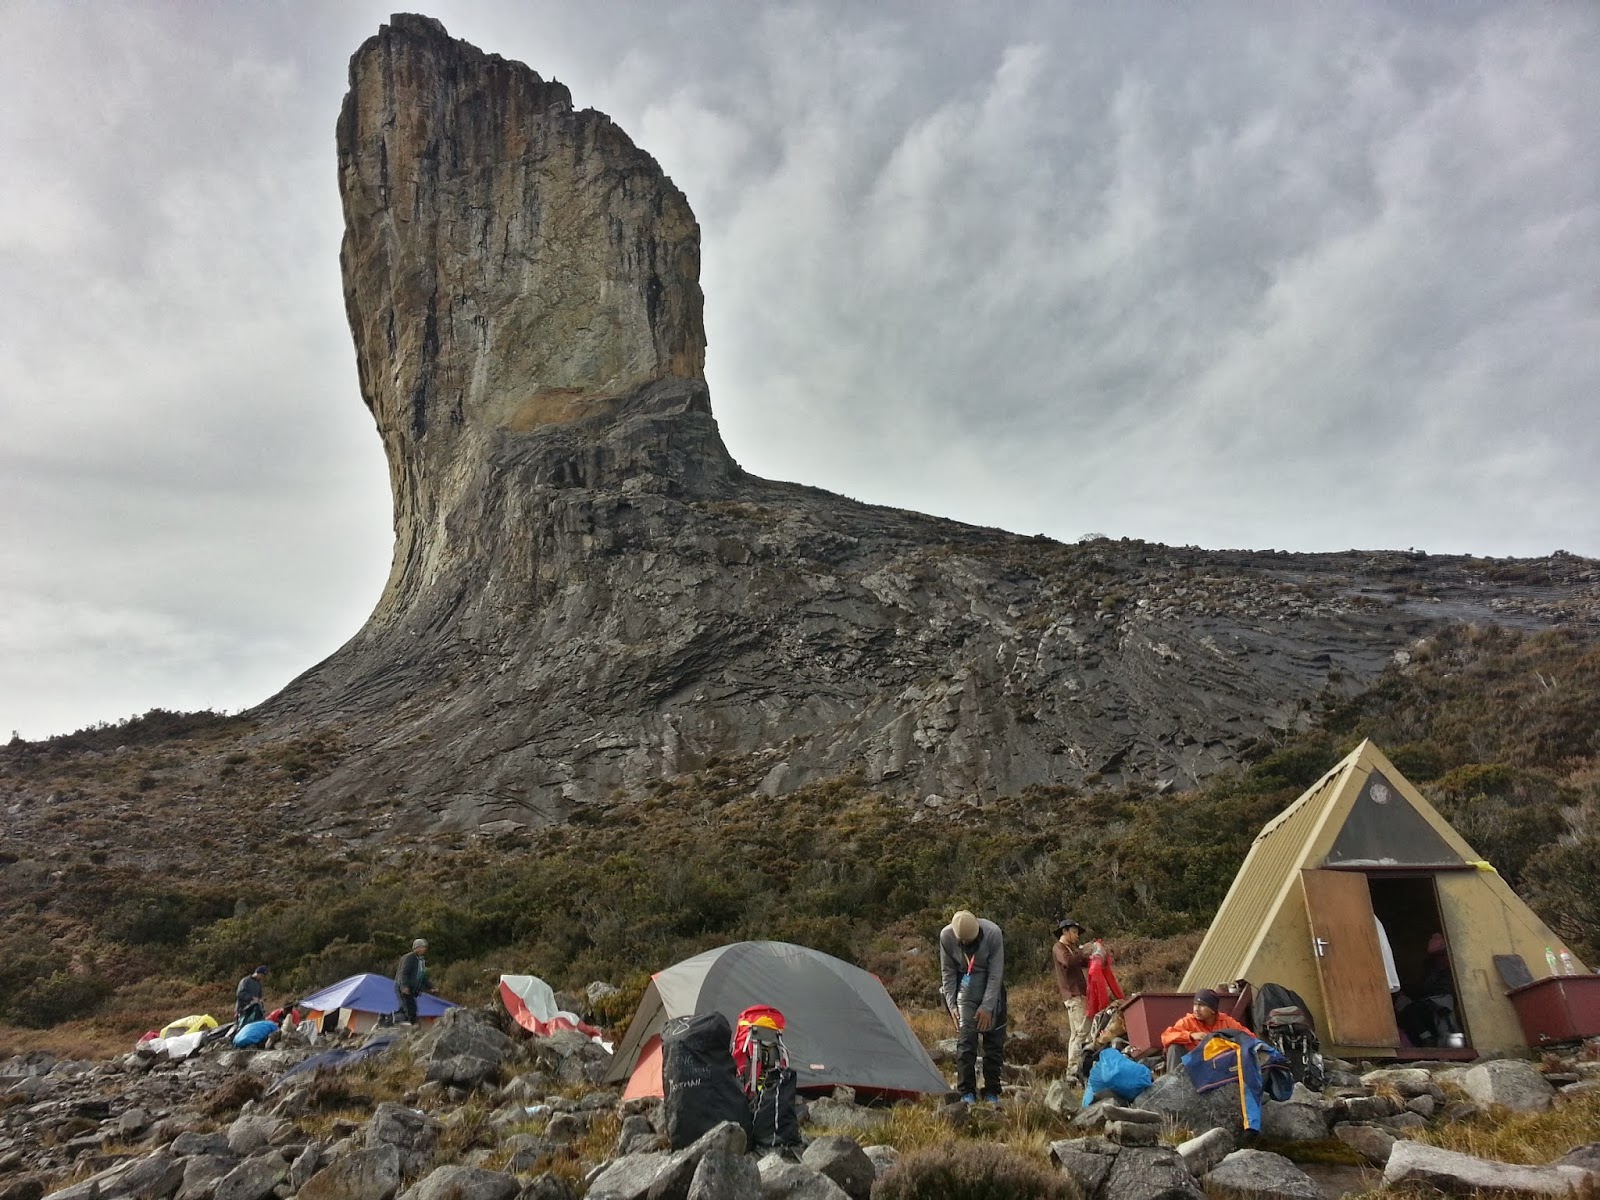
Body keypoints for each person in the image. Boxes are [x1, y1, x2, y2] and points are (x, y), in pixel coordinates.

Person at [939, 909, 1006, 1106]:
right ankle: (967, 1091)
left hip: (990, 986)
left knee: (993, 1042)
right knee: (966, 1040)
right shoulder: (946, 936)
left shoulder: (993, 933)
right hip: (965, 988)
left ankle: (992, 1090)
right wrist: (952, 1006)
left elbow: (996, 974)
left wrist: (987, 1006)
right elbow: (948, 972)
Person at [1160, 988, 1251, 1073]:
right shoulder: (1187, 1021)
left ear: (1213, 1010)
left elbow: (1249, 1037)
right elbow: (1166, 1037)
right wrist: (1190, 1035)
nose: (1196, 1009)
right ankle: (1174, 1085)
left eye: (1202, 1005)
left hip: (1219, 1065)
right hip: (1193, 1065)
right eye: (1195, 1004)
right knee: (1174, 1047)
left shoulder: (1227, 1022)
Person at [1051, 918, 1090, 1080]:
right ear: (1065, 931)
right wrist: (1083, 951)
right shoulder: (1059, 948)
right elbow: (1068, 961)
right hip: (1073, 996)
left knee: (1076, 1033)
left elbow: (1081, 962)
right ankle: (1074, 1068)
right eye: (1074, 932)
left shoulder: (1070, 949)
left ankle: (1073, 1068)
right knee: (1082, 1032)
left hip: (1078, 994)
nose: (1076, 935)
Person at [1084, 937, 1125, 1022]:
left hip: (1093, 1010)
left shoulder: (1096, 963)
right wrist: (1102, 1009)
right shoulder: (1097, 964)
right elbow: (1101, 990)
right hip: (1096, 1011)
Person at [395, 938, 432, 1024]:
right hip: (403, 987)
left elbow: (422, 976)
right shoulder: (409, 958)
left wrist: (431, 986)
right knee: (410, 1009)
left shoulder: (420, 960)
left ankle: (396, 1021)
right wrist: (404, 986)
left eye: (425, 947)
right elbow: (403, 973)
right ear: (417, 948)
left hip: (411, 989)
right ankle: (408, 1026)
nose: (424, 949)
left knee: (408, 1008)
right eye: (422, 947)